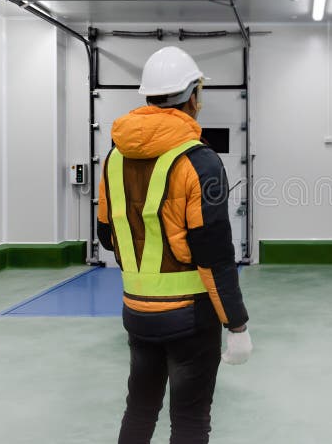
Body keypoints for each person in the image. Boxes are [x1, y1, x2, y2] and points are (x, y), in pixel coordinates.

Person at [97, 46, 252, 444]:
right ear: (192, 97)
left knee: (140, 408)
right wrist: (236, 324)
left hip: (136, 310)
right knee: (190, 419)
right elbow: (214, 253)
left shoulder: (114, 157)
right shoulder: (200, 162)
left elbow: (106, 234)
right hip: (190, 319)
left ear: (148, 97)